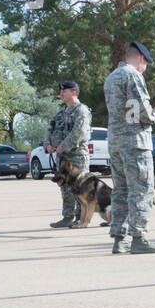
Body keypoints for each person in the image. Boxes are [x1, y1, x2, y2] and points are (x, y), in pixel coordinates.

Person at [104, 42, 155, 253]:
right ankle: (139, 237)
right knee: (141, 190)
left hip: (116, 143)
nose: (145, 68)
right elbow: (139, 109)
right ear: (141, 58)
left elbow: (125, 110)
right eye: (146, 63)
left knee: (120, 191)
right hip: (135, 143)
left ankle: (119, 239)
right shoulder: (133, 75)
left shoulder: (111, 77)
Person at [45, 80, 92, 228]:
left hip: (77, 156)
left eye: (64, 91)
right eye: (60, 91)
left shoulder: (81, 111)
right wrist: (48, 144)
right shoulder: (61, 112)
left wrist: (62, 147)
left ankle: (81, 217)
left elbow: (78, 133)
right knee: (65, 187)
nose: (61, 94)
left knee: (80, 187)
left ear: (74, 92)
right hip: (62, 157)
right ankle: (67, 216)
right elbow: (50, 129)